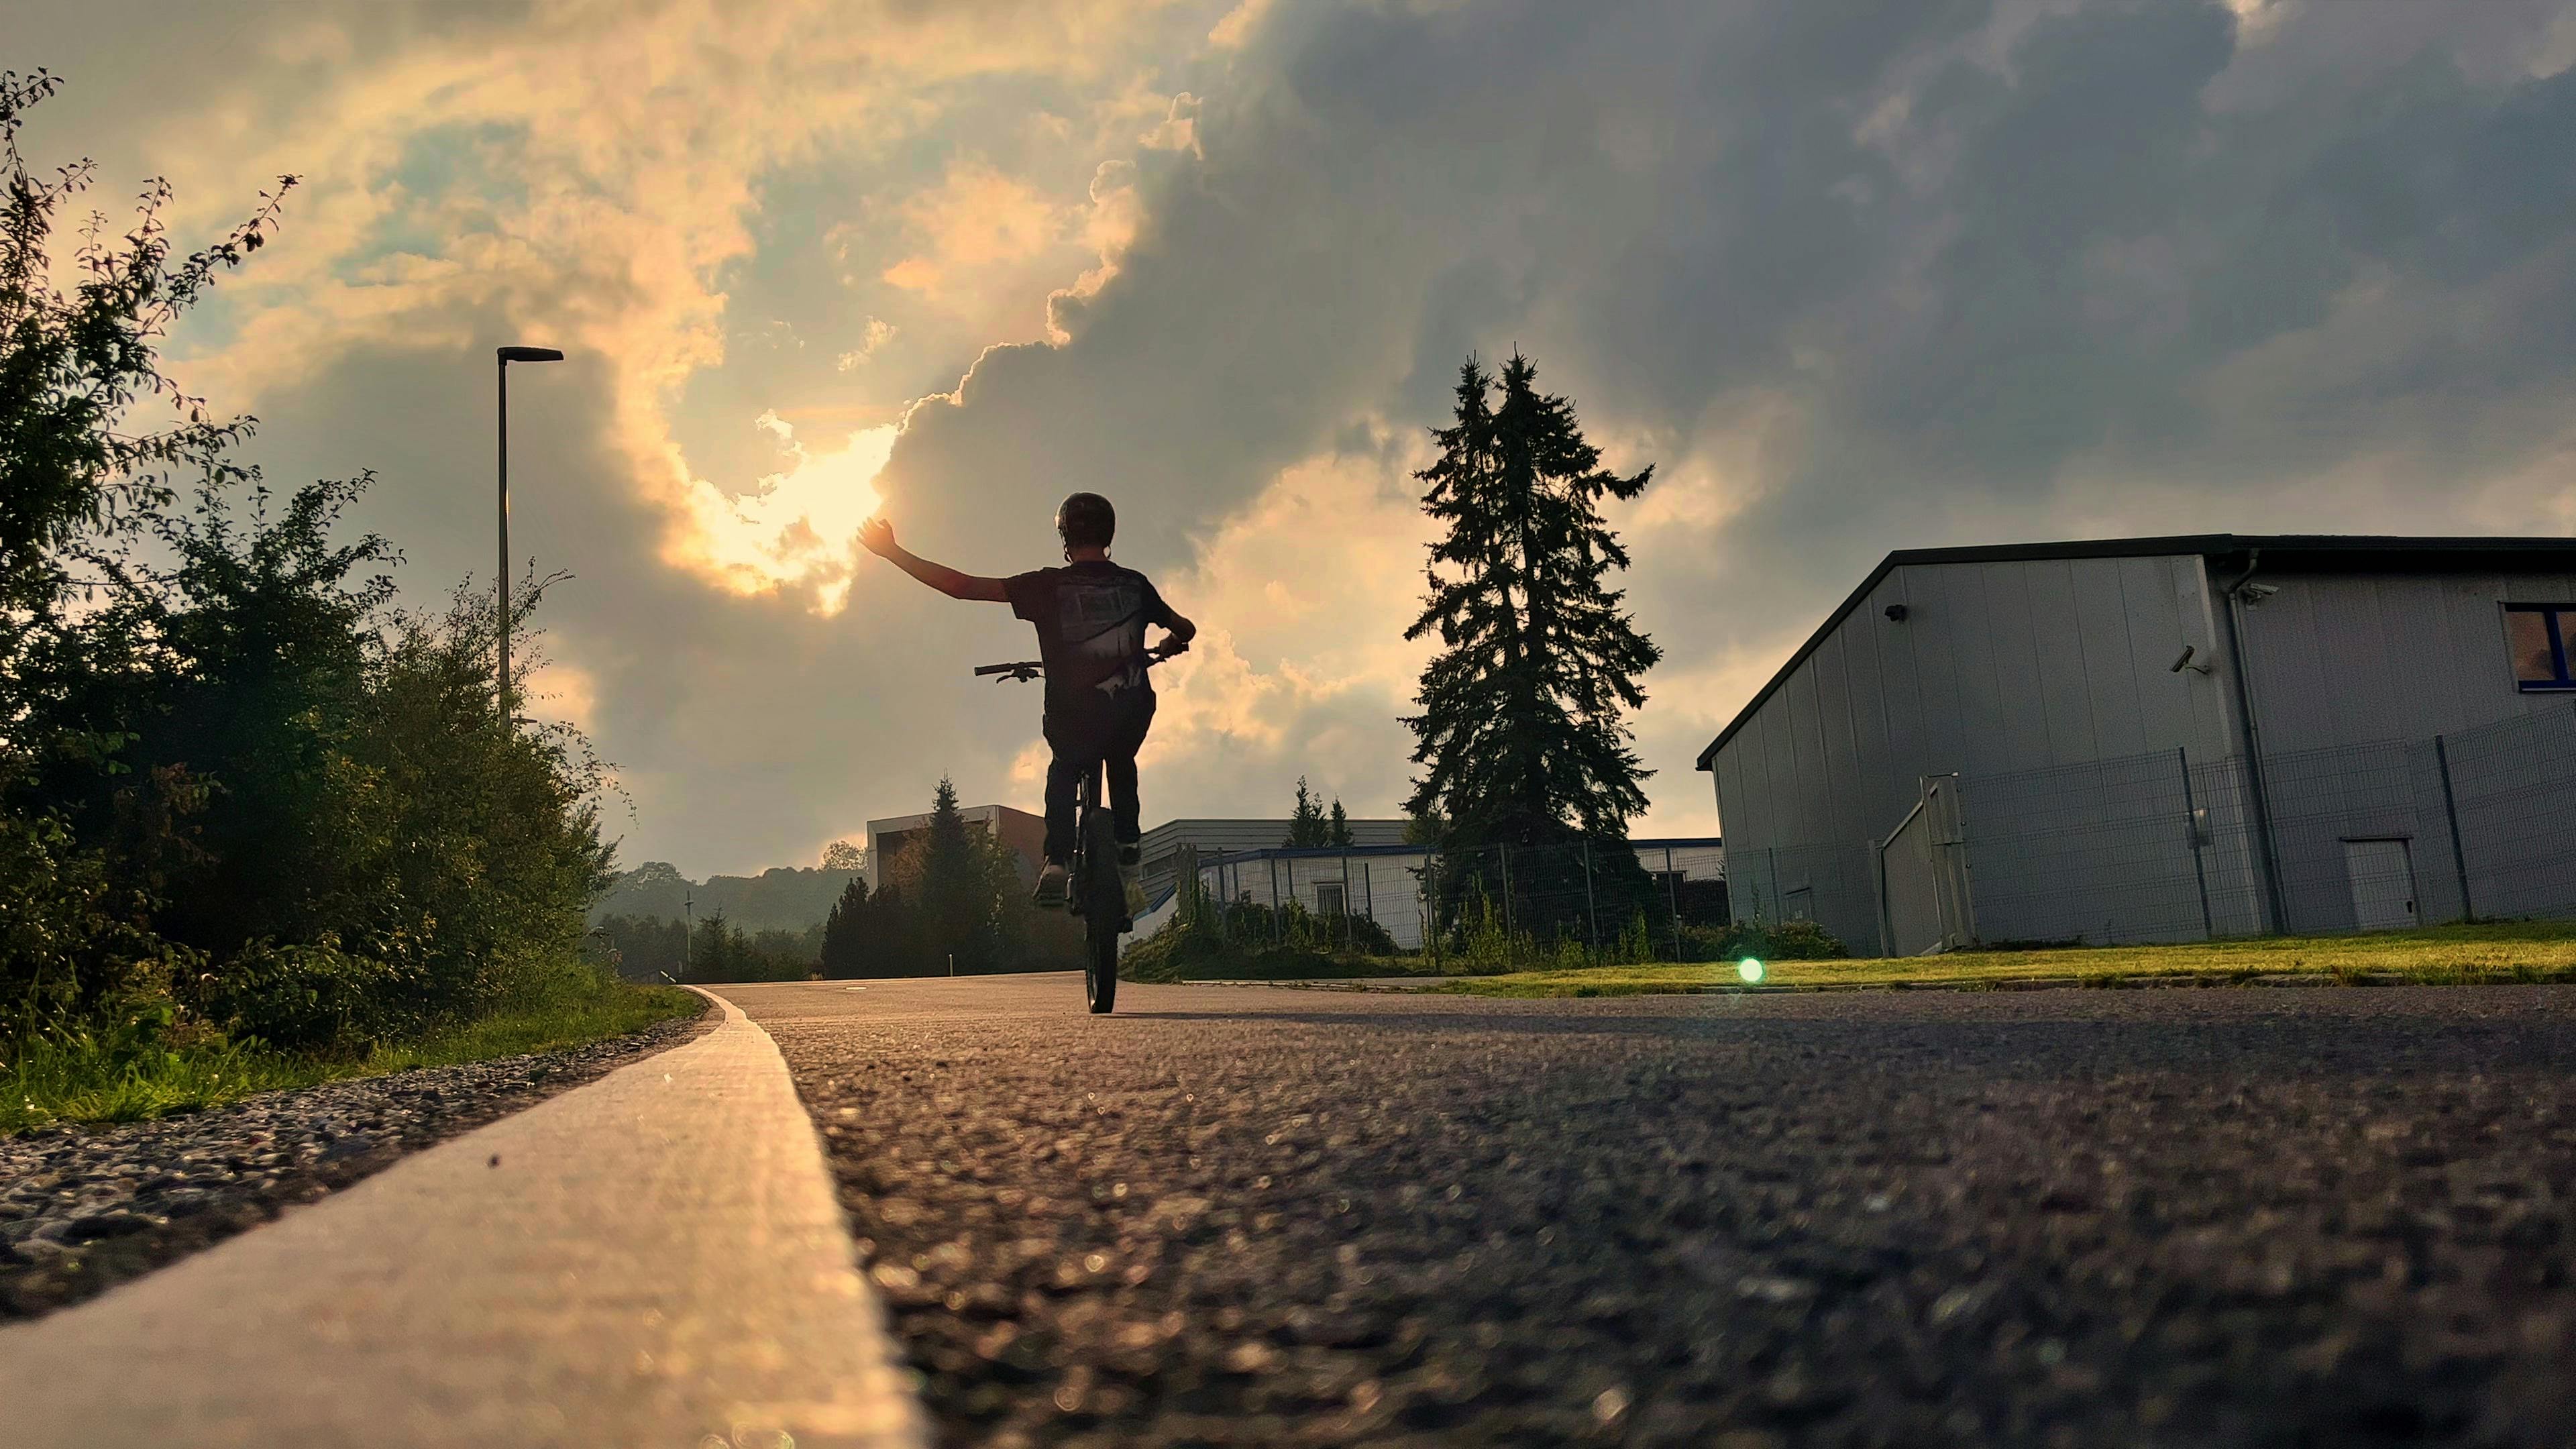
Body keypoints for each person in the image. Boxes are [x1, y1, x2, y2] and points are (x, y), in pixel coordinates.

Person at [858, 493, 1195, 912]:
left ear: (1065, 537)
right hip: (1129, 707)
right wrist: (1172, 641)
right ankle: (1128, 850)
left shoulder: (1046, 585)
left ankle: (1056, 862)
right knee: (1122, 759)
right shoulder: (1135, 584)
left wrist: (892, 552)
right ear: (1110, 534)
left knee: (1066, 763)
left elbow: (962, 587)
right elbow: (1186, 627)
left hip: (1072, 712)